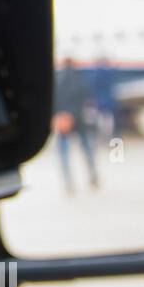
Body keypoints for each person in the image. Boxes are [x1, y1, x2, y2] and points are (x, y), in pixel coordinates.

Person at [53, 57, 99, 194]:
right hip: (78, 120)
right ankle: (93, 176)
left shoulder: (57, 78)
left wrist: (59, 116)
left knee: (64, 154)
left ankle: (68, 183)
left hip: (63, 120)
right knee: (87, 150)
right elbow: (86, 98)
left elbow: (53, 99)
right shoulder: (79, 78)